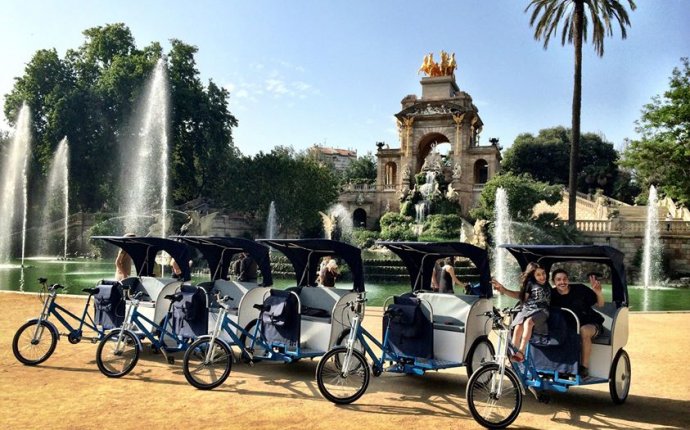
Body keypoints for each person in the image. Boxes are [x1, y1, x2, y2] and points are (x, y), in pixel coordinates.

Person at [550, 268, 605, 378]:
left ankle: (584, 368)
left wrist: (598, 293)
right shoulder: (551, 294)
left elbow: (600, 304)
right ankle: (560, 367)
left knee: (583, 331)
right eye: (558, 280)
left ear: (568, 280)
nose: (562, 282)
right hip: (569, 328)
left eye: (565, 279)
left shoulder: (580, 289)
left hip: (591, 324)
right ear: (554, 282)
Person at [491, 262, 551, 363]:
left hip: (542, 311)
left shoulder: (547, 284)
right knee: (518, 326)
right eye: (538, 275)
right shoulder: (530, 284)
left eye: (543, 273)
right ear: (533, 276)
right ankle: (513, 352)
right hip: (528, 310)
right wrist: (504, 290)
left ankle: (521, 352)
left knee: (528, 323)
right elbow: (522, 297)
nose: (542, 277)